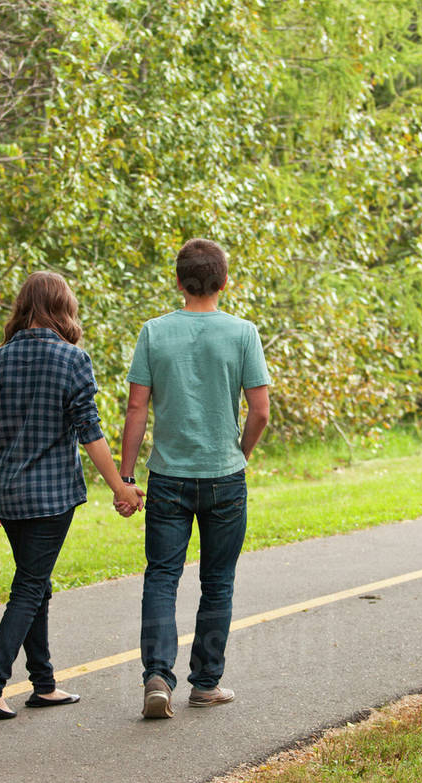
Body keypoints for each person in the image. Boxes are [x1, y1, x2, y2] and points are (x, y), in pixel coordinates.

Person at [0, 271, 144, 721]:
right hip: (50, 497)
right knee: (29, 586)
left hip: (8, 493)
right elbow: (90, 431)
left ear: (23, 307)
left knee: (36, 583)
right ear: (63, 307)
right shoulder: (71, 359)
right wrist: (120, 486)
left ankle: (43, 684)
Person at [118, 238, 271, 719]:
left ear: (179, 281)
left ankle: (158, 677)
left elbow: (137, 407)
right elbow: (261, 412)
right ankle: (205, 684)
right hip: (225, 477)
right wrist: (238, 454)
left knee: (162, 577)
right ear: (224, 282)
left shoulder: (153, 333)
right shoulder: (243, 332)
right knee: (218, 582)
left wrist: (125, 476)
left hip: (168, 477)